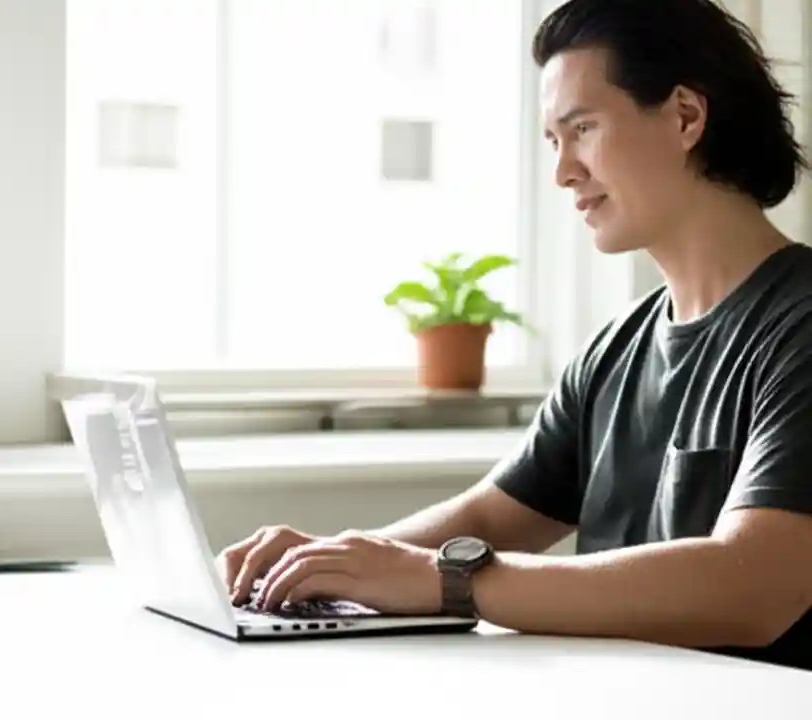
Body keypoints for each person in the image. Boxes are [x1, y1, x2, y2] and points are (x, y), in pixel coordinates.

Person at [218, 0, 812, 671]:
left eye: (582, 129)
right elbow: (490, 519)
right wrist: (323, 566)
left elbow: (757, 585)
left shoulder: (799, 325)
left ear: (684, 117)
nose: (563, 172)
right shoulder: (614, 352)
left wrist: (444, 579)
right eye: (554, 141)